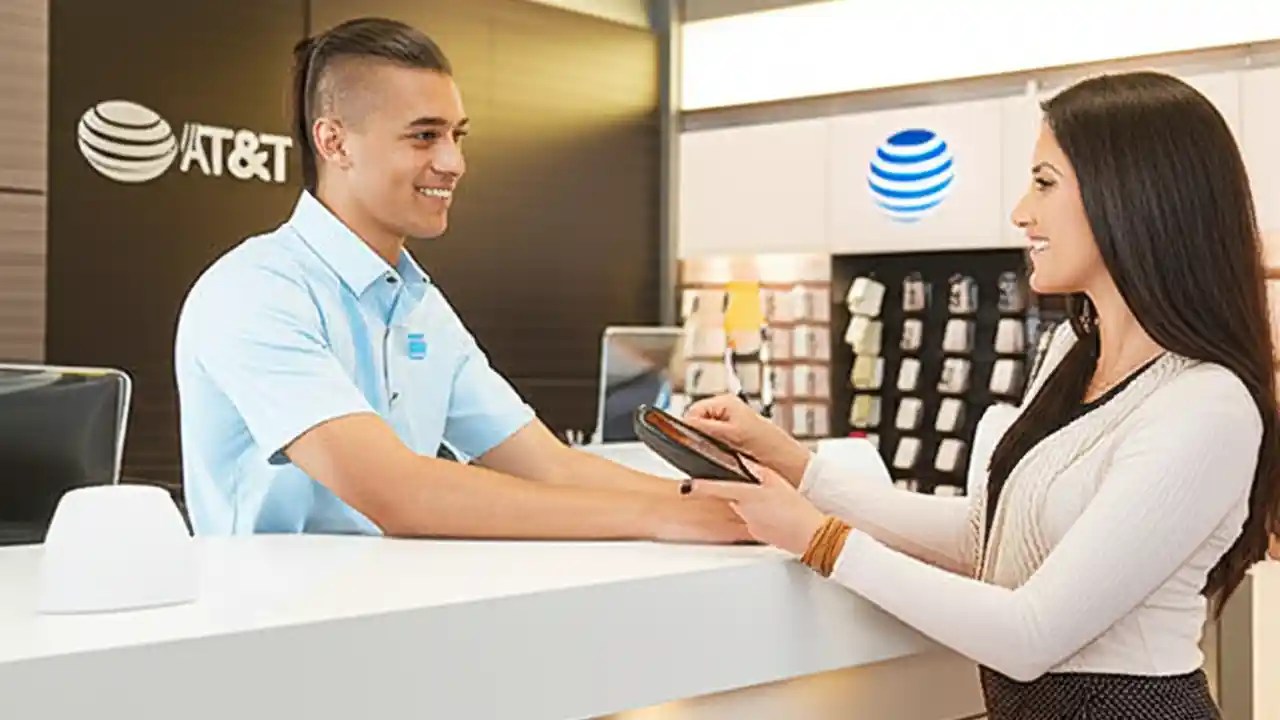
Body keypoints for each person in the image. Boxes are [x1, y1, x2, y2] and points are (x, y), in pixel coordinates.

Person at [680, 71, 1279, 719]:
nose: (1021, 211)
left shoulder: (1206, 406)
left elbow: (1030, 635)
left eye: (1044, 182)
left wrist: (820, 539)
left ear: (1132, 196)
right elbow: (983, 539)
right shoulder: (1069, 358)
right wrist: (794, 465)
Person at [173, 17, 747, 543]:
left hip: (402, 615)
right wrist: (662, 517)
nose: (453, 163)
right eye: (424, 136)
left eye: (457, 135)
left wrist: (727, 503)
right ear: (334, 141)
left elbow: (548, 465)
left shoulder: (420, 304)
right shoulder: (254, 291)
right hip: (270, 634)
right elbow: (396, 493)